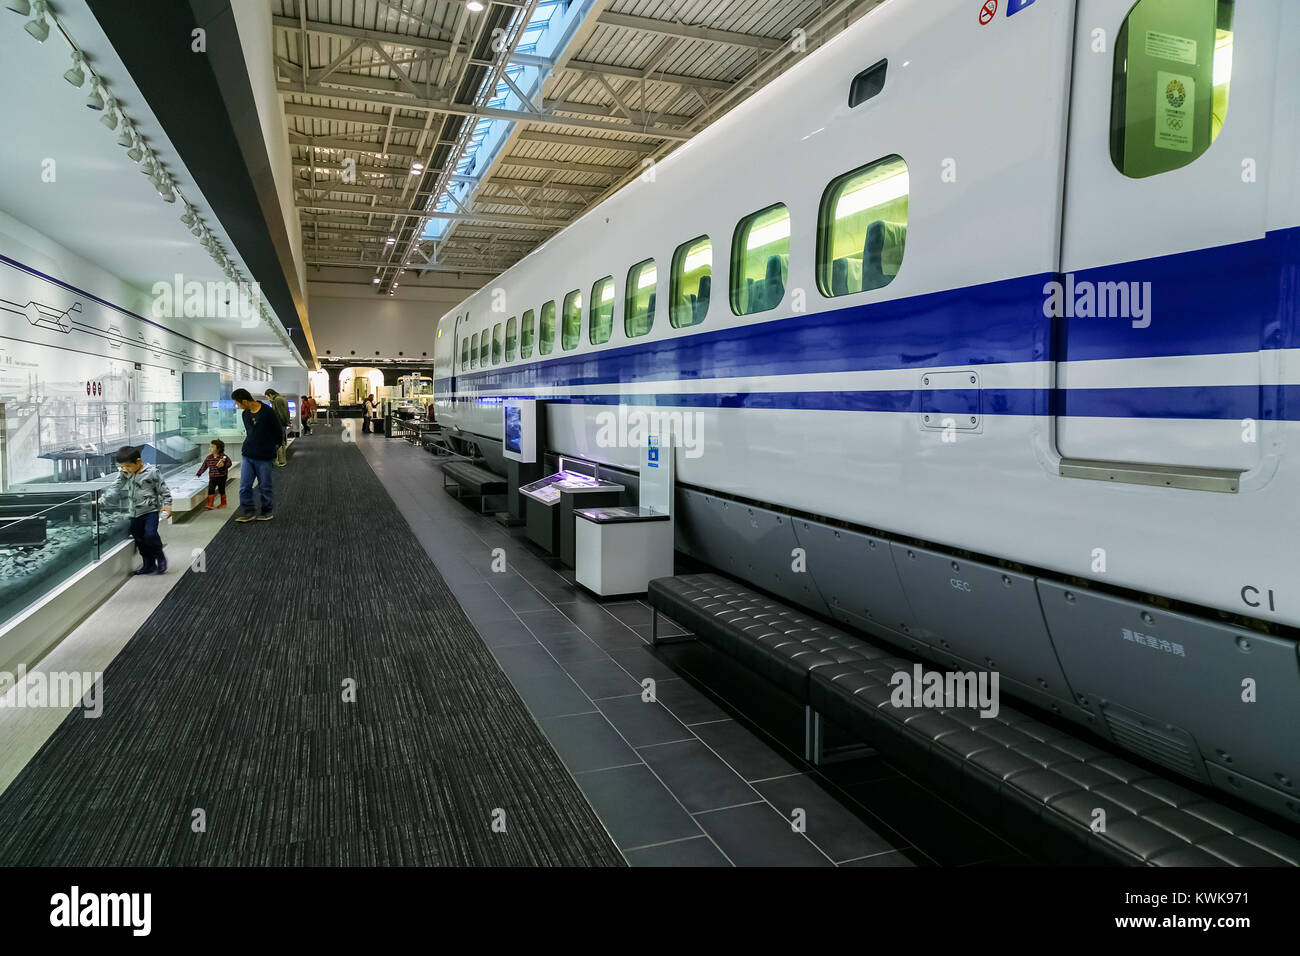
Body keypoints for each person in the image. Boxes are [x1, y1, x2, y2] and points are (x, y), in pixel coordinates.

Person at [107, 445, 172, 575]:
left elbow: (164, 491)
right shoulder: (125, 472)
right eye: (122, 467)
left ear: (138, 462)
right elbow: (116, 486)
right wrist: (103, 499)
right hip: (134, 513)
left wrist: (167, 506)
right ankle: (148, 564)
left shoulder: (153, 472)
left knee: (150, 535)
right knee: (139, 539)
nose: (125, 469)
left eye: (127, 466)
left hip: (150, 511)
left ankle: (160, 557)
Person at [231, 387, 283, 523]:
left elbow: (278, 432)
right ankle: (249, 512)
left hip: (265, 455)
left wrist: (275, 447)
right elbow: (250, 432)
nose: (238, 406)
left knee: (265, 485)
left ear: (244, 401)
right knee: (244, 486)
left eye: (238, 403)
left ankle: (267, 511)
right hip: (248, 454)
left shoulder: (267, 412)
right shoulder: (245, 414)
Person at [196, 438, 233, 510]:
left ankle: (223, 503)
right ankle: (210, 504)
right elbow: (204, 466)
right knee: (211, 489)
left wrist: (224, 465)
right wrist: (199, 473)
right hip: (212, 477)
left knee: (221, 490)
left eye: (212, 447)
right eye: (210, 446)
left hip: (222, 476)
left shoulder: (223, 457)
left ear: (218, 449)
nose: (210, 448)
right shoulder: (209, 457)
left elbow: (229, 463)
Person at [266, 388, 291, 466]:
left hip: (279, 424)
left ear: (270, 394)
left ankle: (282, 461)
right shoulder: (281, 398)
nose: (268, 398)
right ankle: (282, 460)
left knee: (279, 442)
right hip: (282, 423)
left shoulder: (277, 400)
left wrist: (282, 423)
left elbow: (280, 413)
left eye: (267, 397)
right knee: (281, 441)